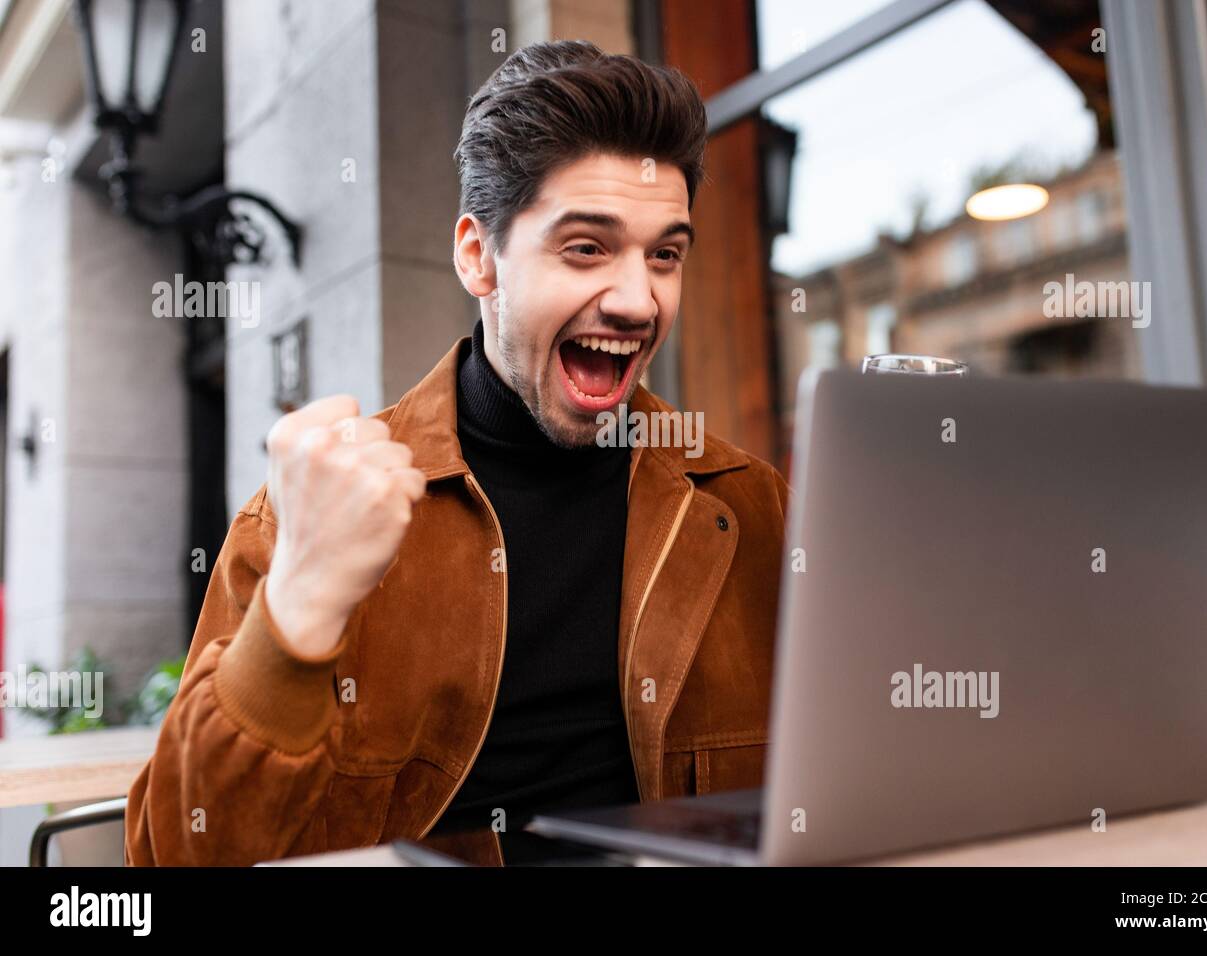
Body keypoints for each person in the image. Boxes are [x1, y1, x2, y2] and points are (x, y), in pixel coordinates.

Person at [125, 39, 790, 866]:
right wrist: (301, 600)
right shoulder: (307, 515)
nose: (636, 298)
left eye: (665, 254)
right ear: (479, 256)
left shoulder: (755, 509)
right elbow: (170, 856)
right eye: (586, 247)